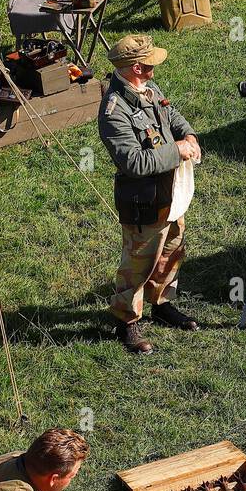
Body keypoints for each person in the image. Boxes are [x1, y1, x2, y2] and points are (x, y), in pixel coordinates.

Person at [98, 34, 202, 354]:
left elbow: (170, 114)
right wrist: (178, 150)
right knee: (138, 264)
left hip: (171, 193)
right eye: (149, 65)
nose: (154, 71)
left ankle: (162, 304)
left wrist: (188, 134)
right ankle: (126, 322)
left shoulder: (146, 87)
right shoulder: (114, 111)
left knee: (171, 251)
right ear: (136, 67)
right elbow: (134, 162)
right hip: (143, 200)